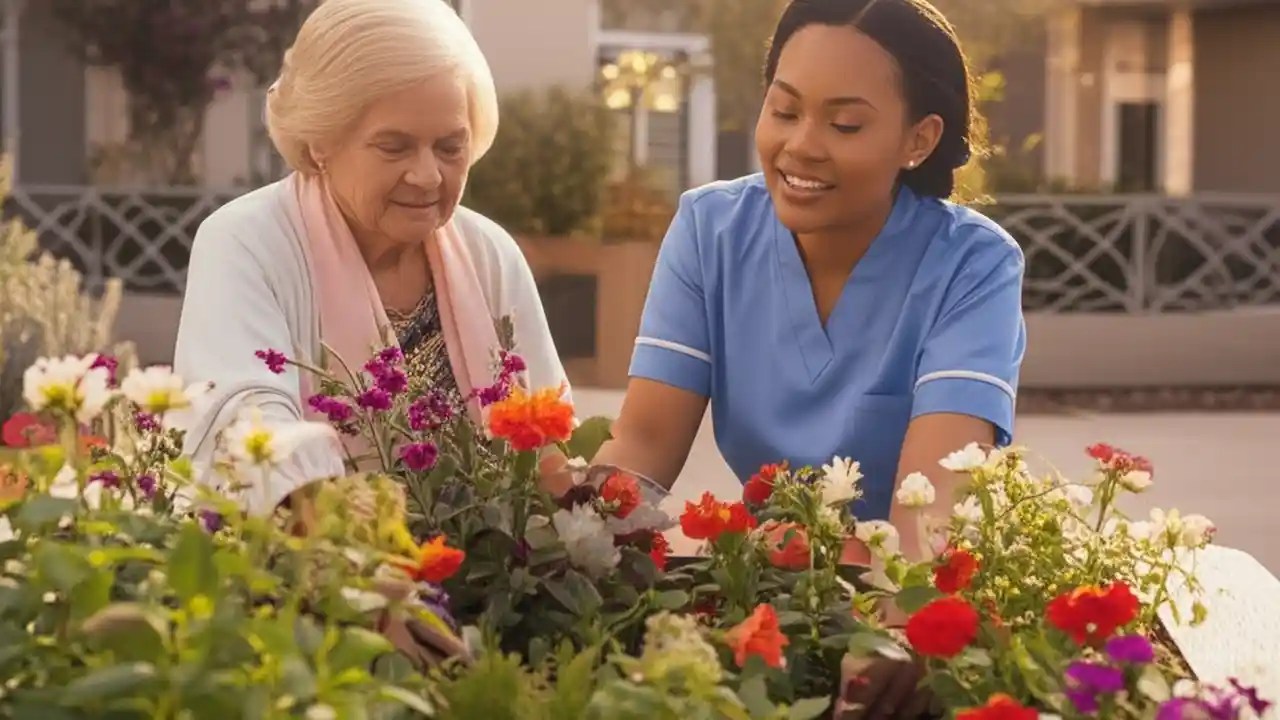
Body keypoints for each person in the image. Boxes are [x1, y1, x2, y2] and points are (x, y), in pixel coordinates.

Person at [591, 0, 1025, 715]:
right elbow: (642, 442)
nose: (801, 146)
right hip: (764, 594)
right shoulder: (711, 231)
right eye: (784, 111)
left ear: (917, 139)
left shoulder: (971, 266)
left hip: (900, 607)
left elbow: (936, 500)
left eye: (845, 124)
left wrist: (899, 628)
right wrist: (569, 555)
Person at [172, 0, 568, 665]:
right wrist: (357, 583)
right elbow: (247, 424)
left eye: (450, 146)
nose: (427, 174)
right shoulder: (245, 241)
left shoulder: (490, 252)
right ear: (320, 140)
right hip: (293, 612)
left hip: (481, 609)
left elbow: (549, 437)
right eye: (394, 146)